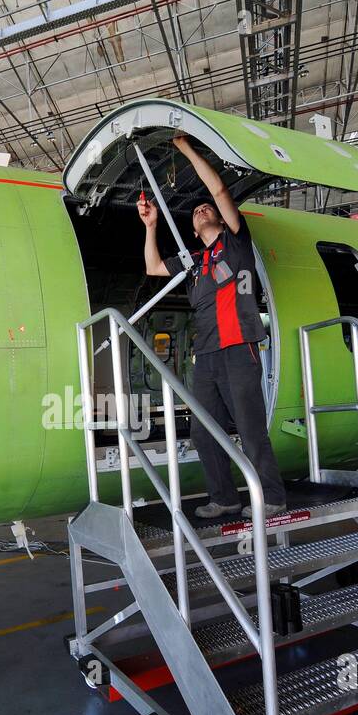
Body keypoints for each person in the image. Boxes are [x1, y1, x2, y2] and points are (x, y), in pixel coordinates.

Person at [138, 135, 287, 519]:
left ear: (220, 218)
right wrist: (151, 225)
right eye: (196, 212)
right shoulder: (194, 263)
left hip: (240, 348)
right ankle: (224, 498)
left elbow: (218, 189)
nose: (203, 210)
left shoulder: (236, 244)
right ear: (192, 231)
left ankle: (272, 497)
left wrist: (185, 148)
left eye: (208, 209)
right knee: (204, 432)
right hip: (205, 356)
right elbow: (153, 268)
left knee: (250, 428)